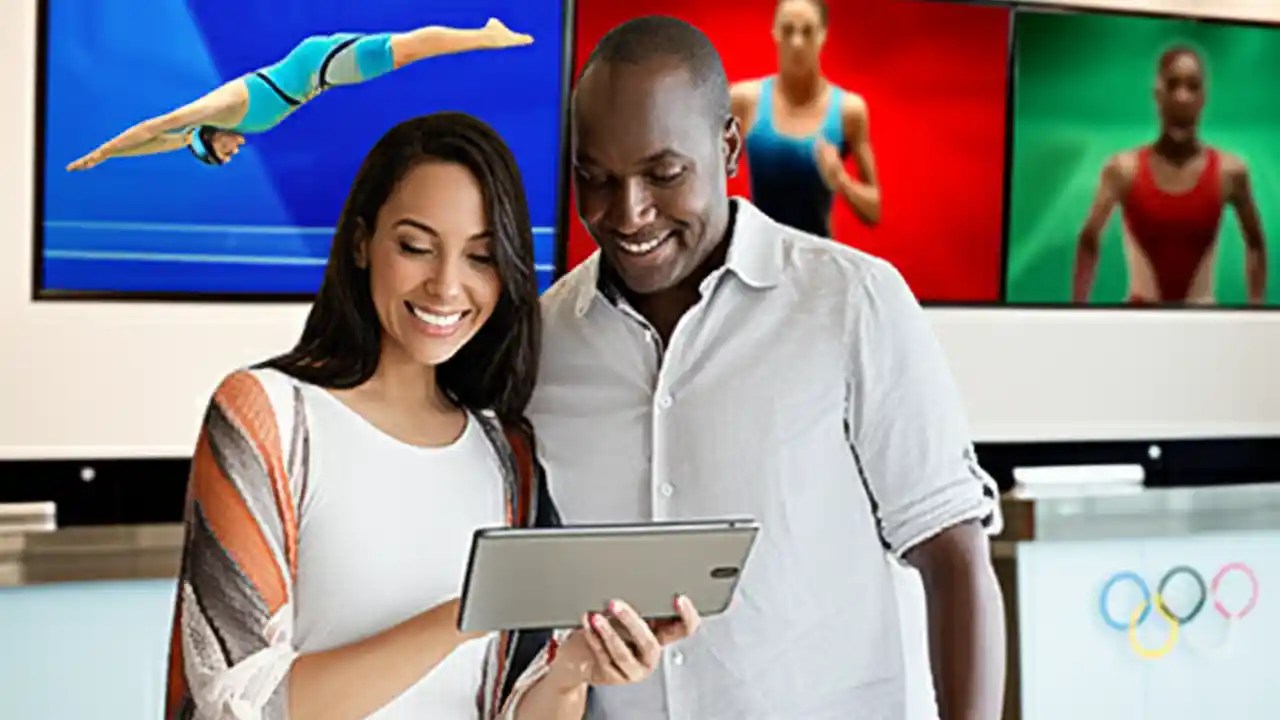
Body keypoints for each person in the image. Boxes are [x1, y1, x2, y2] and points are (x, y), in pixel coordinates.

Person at [530, 15, 1005, 720]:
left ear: (728, 147)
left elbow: (953, 553)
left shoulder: (851, 302)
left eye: (663, 175)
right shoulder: (544, 340)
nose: (628, 213)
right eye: (594, 178)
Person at [162, 111, 701, 719]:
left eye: (481, 257)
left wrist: (572, 668)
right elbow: (230, 702)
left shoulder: (508, 458)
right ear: (362, 243)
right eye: (416, 247)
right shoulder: (267, 417)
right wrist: (465, 616)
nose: (446, 286)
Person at [66, 18, 533, 171]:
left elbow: (157, 126)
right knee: (403, 51)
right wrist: (107, 159)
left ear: (211, 136)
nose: (233, 152)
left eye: (223, 153)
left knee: (405, 49)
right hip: (322, 75)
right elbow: (157, 144)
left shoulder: (223, 107)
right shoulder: (213, 129)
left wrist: (102, 148)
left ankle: (486, 35)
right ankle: (483, 36)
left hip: (318, 65)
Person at [1072, 45, 1267, 305]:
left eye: (1192, 86)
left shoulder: (1229, 172)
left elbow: (1255, 243)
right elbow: (1088, 238)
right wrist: (1078, 310)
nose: (1182, 97)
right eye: (1172, 84)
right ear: (1157, 94)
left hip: (1204, 324)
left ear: (1203, 97)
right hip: (1140, 322)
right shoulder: (1123, 169)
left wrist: (1256, 310)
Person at [730, 0, 881, 237]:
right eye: (788, 30)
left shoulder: (849, 110)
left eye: (807, 31)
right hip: (760, 251)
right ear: (775, 33)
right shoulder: (744, 100)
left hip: (817, 253)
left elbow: (873, 210)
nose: (797, 43)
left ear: (823, 35)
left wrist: (842, 181)